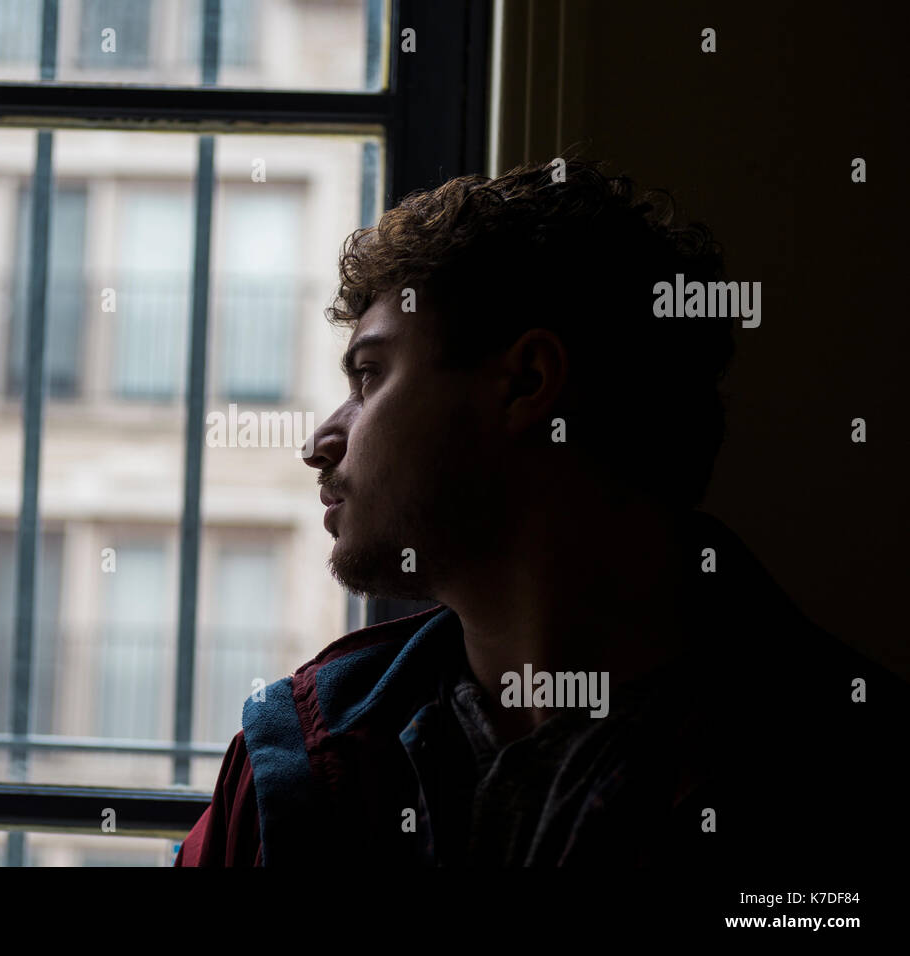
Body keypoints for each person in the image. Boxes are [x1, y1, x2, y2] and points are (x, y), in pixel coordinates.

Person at [175, 157, 908, 867]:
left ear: (527, 381)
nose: (320, 442)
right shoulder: (294, 755)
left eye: (370, 375)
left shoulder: (851, 775)